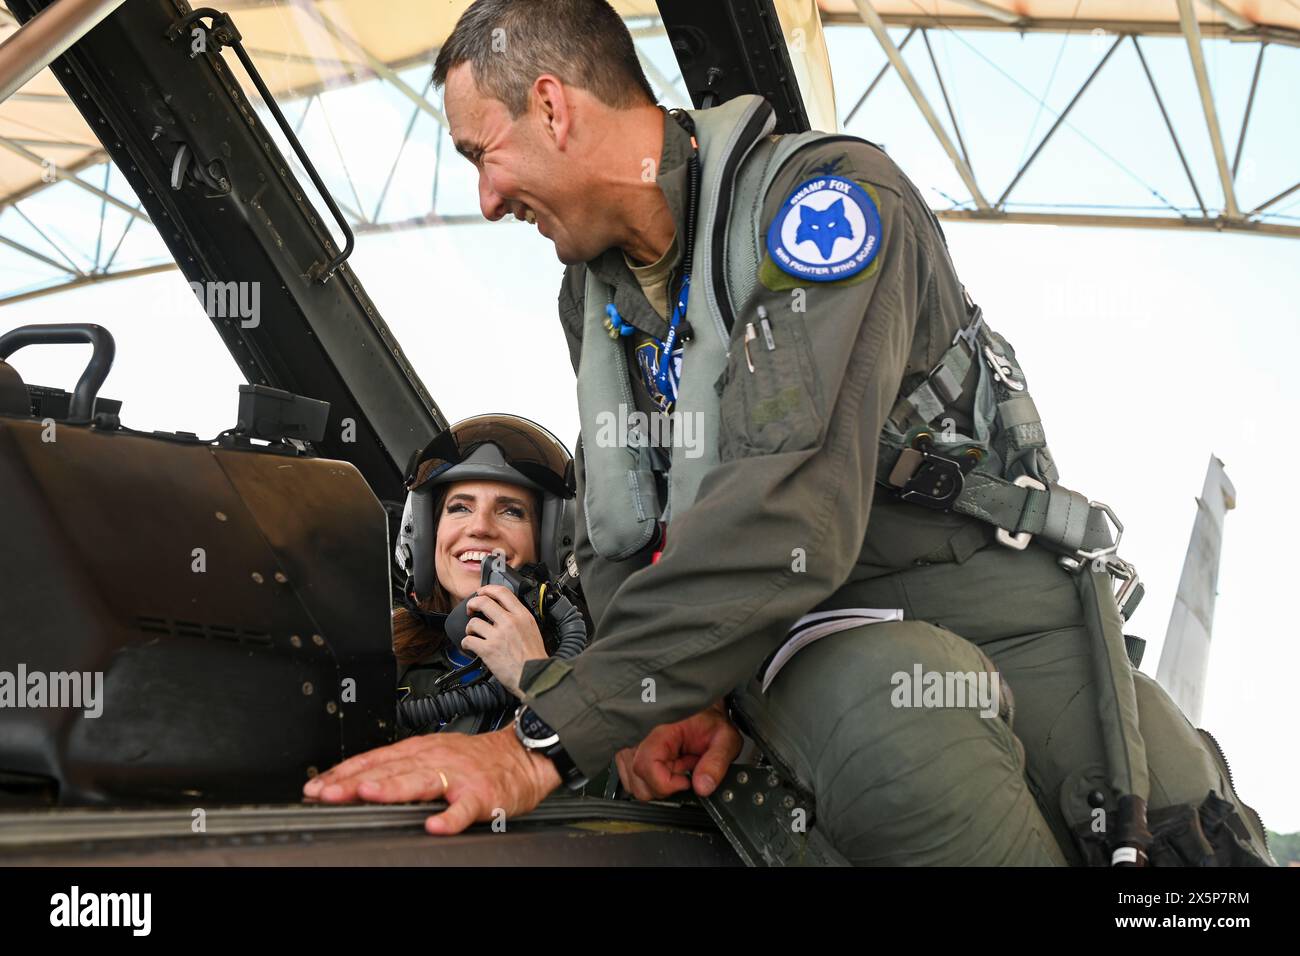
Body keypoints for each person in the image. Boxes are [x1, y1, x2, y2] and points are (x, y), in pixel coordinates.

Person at [306, 0, 1273, 866]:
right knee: (900, 734)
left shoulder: (826, 204)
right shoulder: (593, 299)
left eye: (484, 153)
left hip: (987, 596)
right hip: (792, 641)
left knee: (1190, 823)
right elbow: (617, 529)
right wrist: (662, 697)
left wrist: (540, 742)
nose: (485, 197)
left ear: (553, 106)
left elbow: (788, 507)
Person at [391, 413, 584, 736]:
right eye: (460, 508)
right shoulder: (379, 650)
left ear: (551, 543)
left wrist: (535, 676)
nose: (480, 527)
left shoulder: (597, 666)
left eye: (511, 511)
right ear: (425, 533)